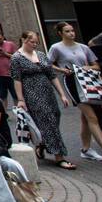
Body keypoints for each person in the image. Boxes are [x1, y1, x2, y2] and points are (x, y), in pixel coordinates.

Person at [48, 22, 102, 166]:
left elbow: (96, 66)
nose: (71, 33)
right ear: (60, 33)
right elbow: (48, 63)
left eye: (72, 30)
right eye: (67, 31)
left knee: (85, 118)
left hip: (87, 83)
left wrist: (89, 67)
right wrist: (62, 70)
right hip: (72, 83)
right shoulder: (56, 48)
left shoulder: (83, 47)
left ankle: (86, 149)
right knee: (92, 117)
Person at [12, 30, 76, 170]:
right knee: (49, 121)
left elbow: (52, 75)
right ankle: (60, 157)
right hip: (32, 93)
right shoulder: (17, 57)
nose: (34, 45)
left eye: (36, 42)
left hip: (48, 92)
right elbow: (17, 79)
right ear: (24, 40)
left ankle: (42, 143)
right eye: (32, 42)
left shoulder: (41, 55)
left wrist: (62, 94)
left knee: (54, 117)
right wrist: (21, 99)